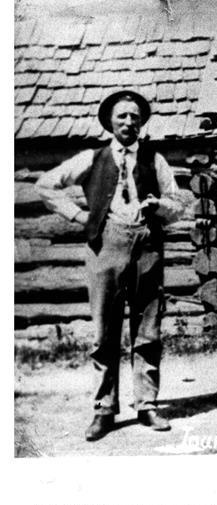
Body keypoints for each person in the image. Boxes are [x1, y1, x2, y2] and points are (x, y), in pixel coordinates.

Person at [36, 90, 184, 441]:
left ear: (141, 122)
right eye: (122, 117)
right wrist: (80, 215)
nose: (129, 123)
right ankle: (104, 409)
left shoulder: (154, 159)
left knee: (147, 331)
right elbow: (45, 186)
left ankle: (147, 406)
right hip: (106, 245)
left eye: (135, 117)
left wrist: (158, 205)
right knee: (104, 333)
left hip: (147, 245)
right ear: (110, 122)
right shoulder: (93, 157)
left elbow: (178, 205)